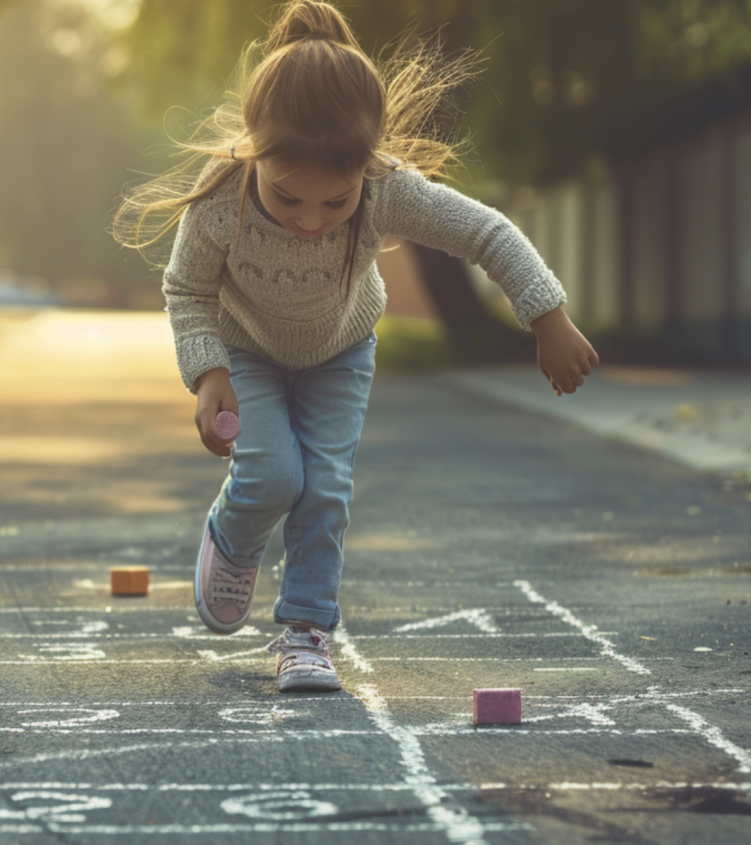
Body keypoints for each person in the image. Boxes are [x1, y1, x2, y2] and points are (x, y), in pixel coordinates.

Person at [112, 0, 599, 693]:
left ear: (365, 168)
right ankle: (233, 535)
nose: (312, 219)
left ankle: (306, 632)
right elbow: (186, 289)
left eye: (334, 203)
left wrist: (547, 316)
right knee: (273, 478)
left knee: (325, 487)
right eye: (289, 199)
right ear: (254, 151)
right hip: (247, 351)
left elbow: (486, 232)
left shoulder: (384, 187)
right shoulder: (221, 196)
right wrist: (208, 372)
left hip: (339, 353)